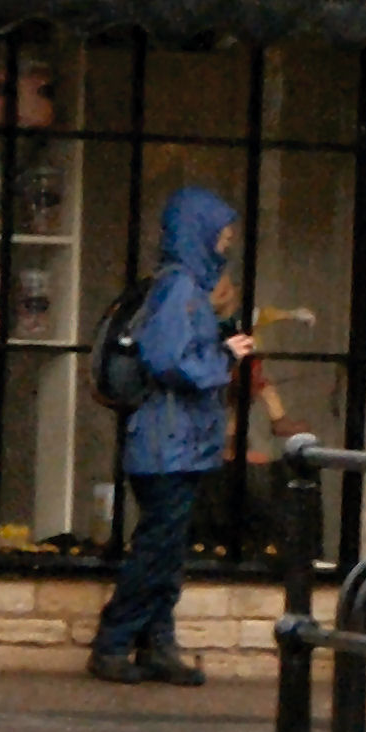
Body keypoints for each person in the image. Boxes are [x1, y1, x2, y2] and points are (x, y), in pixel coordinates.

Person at [88, 186, 254, 686]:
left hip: (178, 441)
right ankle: (115, 641)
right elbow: (166, 360)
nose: (226, 244)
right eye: (222, 235)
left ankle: (158, 643)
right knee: (157, 547)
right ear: (199, 234)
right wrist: (225, 357)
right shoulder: (179, 288)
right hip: (167, 442)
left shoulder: (183, 287)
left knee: (168, 548)